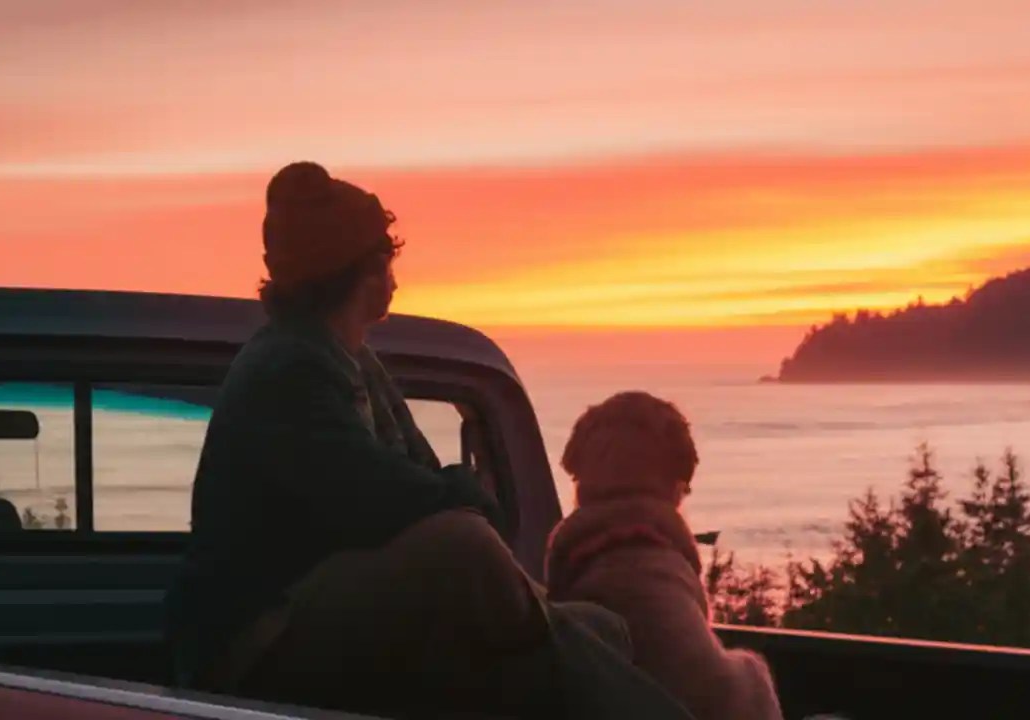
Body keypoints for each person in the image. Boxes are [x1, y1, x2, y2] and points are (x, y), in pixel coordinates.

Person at [165, 162, 557, 717]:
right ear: (359, 273)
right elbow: (376, 497)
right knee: (463, 549)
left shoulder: (349, 358)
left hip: (305, 605)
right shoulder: (290, 367)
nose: (395, 277)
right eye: (386, 262)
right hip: (257, 636)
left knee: (590, 627)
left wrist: (455, 494)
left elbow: (414, 472)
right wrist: (467, 495)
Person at [546, 391, 784, 720]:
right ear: (677, 484)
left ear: (579, 476)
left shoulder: (571, 559)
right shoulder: (667, 558)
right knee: (751, 668)